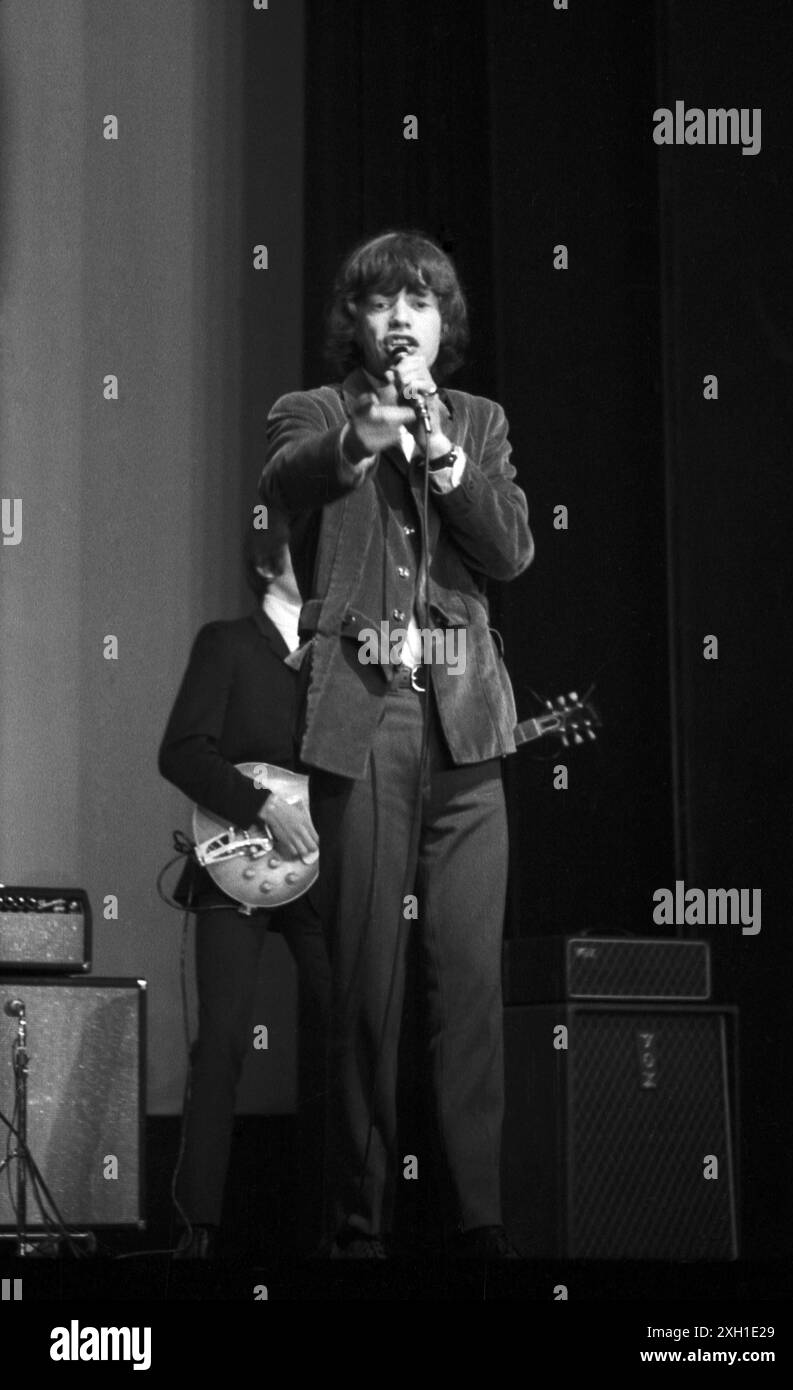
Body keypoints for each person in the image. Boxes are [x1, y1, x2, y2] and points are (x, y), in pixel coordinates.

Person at [260, 230, 534, 1257]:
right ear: (359, 324)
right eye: (383, 302)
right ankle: (356, 1233)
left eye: (422, 299)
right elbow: (290, 482)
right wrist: (365, 436)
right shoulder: (321, 411)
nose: (403, 315)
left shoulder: (479, 422)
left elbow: (507, 549)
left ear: (442, 323)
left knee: (467, 988)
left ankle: (480, 1227)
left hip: (466, 731)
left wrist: (445, 455)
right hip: (365, 725)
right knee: (365, 992)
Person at [158, 517, 330, 1258]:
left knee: (348, 1031)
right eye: (307, 551)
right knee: (223, 1039)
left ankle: (346, 1226)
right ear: (268, 566)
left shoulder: (338, 659)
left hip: (322, 868)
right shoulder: (225, 644)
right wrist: (262, 808)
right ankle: (199, 1228)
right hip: (237, 864)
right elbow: (181, 752)